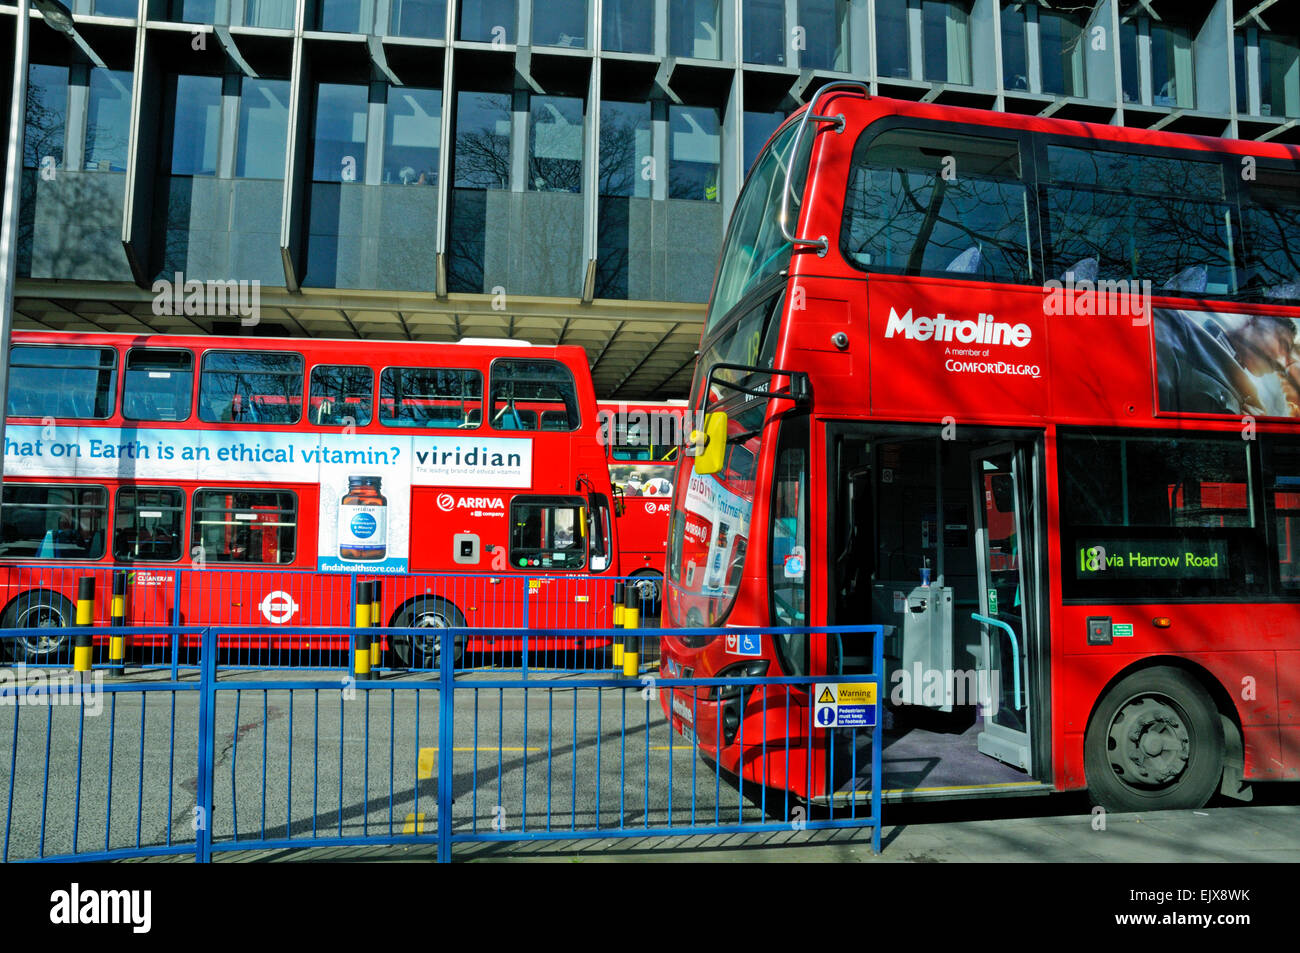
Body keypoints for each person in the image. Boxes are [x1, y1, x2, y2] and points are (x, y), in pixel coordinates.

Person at [1155, 309, 1298, 417]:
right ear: (1255, 320)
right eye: (1283, 344)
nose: (1281, 364)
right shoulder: (1178, 327)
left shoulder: (1248, 396)